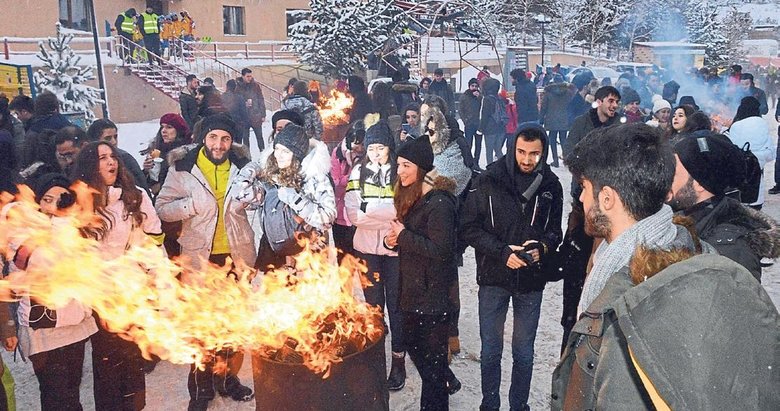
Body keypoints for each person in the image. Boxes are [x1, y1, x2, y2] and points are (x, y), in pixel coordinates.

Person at [551, 123, 780, 410]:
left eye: (584, 188)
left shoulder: (631, 304)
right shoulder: (674, 245)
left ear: (607, 198)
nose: (581, 197)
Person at [154, 114, 255, 410]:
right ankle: (199, 391)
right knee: (201, 328)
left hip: (235, 256)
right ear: (203, 138)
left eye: (224, 139)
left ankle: (226, 379)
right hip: (200, 259)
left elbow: (257, 199)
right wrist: (189, 206)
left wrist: (256, 196)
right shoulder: (183, 168)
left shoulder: (242, 167)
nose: (219, 144)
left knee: (232, 326)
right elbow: (162, 207)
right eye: (213, 138)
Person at [461, 122, 563, 411]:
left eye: (534, 153)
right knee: (491, 351)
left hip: (530, 281)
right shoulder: (489, 179)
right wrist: (501, 252)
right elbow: (469, 228)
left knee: (524, 353)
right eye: (521, 152)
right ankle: (489, 405)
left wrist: (541, 249)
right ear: (512, 147)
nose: (527, 160)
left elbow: (555, 231)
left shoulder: (551, 185)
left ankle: (520, 406)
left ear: (543, 152)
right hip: (494, 277)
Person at [70, 141, 163, 411]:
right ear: (90, 166)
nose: (111, 162)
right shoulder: (78, 203)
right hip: (100, 297)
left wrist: (157, 280)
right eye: (102, 158)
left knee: (134, 359)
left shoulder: (135, 197)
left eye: (113, 157)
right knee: (107, 362)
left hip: (133, 291)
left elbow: (153, 240)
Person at [7, 172, 96, 411]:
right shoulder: (22, 230)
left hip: (74, 322)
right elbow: (39, 261)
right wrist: (60, 221)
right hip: (43, 329)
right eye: (47, 199)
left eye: (61, 199)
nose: (54, 205)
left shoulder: (76, 228)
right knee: (56, 397)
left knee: (72, 393)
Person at [384, 134, 458, 411]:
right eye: (399, 165)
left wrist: (402, 236)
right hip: (412, 291)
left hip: (433, 297)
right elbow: (407, 238)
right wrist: (390, 240)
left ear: (422, 167)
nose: (400, 171)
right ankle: (442, 384)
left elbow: (441, 250)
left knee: (432, 371)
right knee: (422, 357)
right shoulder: (411, 194)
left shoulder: (440, 203)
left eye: (406, 165)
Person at [344, 118, 406, 390]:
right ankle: (376, 359)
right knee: (373, 309)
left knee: (397, 307)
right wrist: (385, 216)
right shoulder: (357, 173)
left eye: (380, 148)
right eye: (371, 149)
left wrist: (371, 212)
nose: (376, 153)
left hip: (395, 252)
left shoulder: (400, 172)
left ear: (389, 148)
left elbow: (403, 210)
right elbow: (352, 214)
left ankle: (399, 360)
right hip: (367, 250)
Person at [669, 132, 780, 281]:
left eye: (673, 172)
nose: (665, 177)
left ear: (699, 183)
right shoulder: (684, 217)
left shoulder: (730, 251)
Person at [234, 123, 335, 272]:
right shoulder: (272, 176)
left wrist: (296, 200)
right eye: (276, 149)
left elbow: (327, 218)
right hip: (277, 254)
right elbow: (242, 195)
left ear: (297, 154)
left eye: (285, 151)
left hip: (307, 257)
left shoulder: (314, 178)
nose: (278, 155)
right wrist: (252, 169)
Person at [728, 96, 775, 209]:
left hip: (739, 168)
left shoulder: (735, 126)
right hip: (758, 165)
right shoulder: (762, 123)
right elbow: (769, 151)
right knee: (756, 194)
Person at [330, 119, 365, 263]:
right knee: (344, 262)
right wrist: (352, 175)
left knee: (364, 264)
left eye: (363, 144)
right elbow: (335, 185)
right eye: (357, 143)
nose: (360, 148)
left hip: (363, 218)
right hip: (341, 216)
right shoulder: (338, 154)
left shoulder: (371, 158)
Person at [85, 119, 148, 191]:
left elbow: (142, 189)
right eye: (108, 138)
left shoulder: (125, 158)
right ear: (95, 141)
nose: (114, 142)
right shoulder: (85, 162)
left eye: (115, 137)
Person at [564, 86, 621, 162]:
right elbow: (569, 150)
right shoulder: (581, 122)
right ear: (599, 102)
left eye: (616, 102)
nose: (615, 105)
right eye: (611, 101)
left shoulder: (620, 125)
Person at [23, 92, 72, 168]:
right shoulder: (70, 128)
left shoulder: (33, 131)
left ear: (36, 109)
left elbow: (29, 159)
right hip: (69, 171)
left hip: (45, 174)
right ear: (56, 108)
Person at [540, 76, 575, 167]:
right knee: (563, 139)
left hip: (551, 119)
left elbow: (544, 107)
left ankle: (555, 160)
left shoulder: (548, 92)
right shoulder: (568, 92)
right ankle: (566, 159)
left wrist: (541, 118)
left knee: (552, 139)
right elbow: (572, 106)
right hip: (564, 119)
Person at [235, 68, 267, 151]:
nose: (249, 78)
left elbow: (261, 99)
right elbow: (236, 100)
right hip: (244, 116)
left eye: (250, 76)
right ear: (242, 76)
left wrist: (263, 114)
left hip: (255, 114)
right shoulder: (238, 86)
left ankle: (262, 153)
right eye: (247, 76)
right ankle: (247, 156)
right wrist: (243, 104)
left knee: (259, 137)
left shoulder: (255, 85)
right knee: (245, 138)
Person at [478, 78, 508, 165]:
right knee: (498, 150)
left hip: (490, 129)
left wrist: (481, 128)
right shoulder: (500, 98)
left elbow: (485, 116)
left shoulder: (487, 99)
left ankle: (490, 168)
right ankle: (504, 167)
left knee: (489, 151)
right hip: (501, 127)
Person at [458, 78, 482, 165]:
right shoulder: (464, 96)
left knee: (478, 145)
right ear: (469, 86)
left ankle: (476, 162)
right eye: (472, 86)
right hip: (469, 124)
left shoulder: (480, 96)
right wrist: (465, 120)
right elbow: (460, 110)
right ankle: (469, 161)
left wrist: (479, 97)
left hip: (478, 124)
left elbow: (483, 107)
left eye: (476, 86)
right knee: (468, 144)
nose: (474, 87)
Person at [222, 79, 250, 146]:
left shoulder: (222, 97)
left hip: (225, 124)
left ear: (227, 86)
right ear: (235, 87)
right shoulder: (239, 98)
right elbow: (243, 112)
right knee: (237, 144)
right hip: (238, 124)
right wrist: (246, 123)